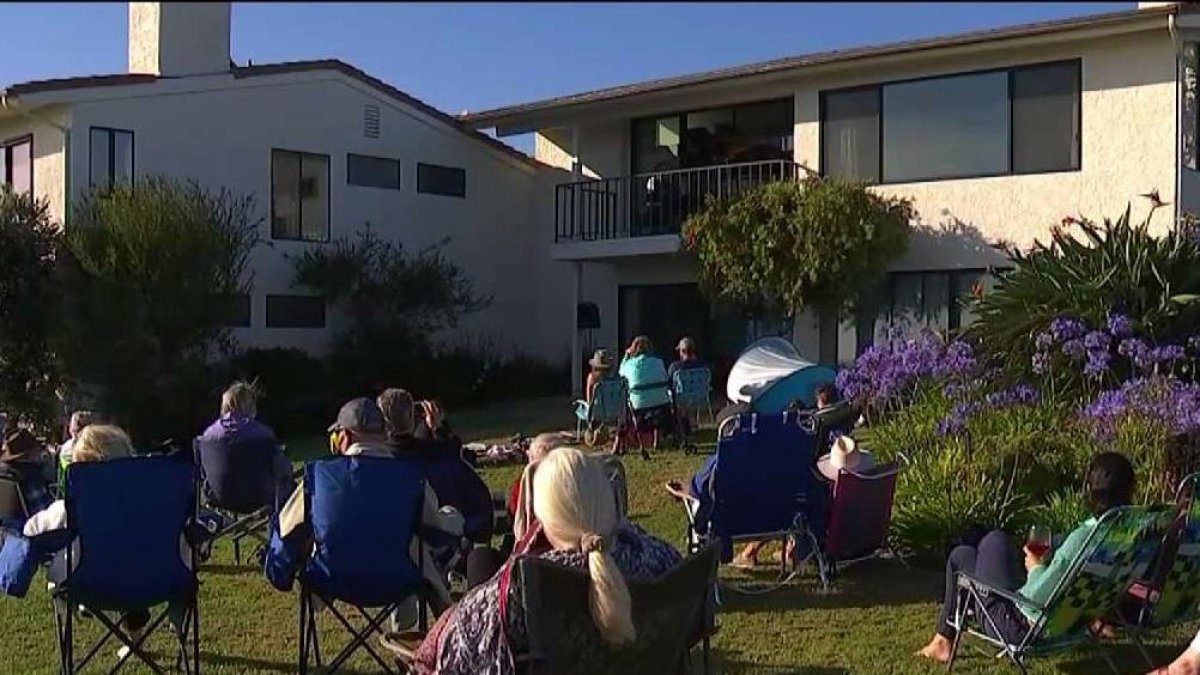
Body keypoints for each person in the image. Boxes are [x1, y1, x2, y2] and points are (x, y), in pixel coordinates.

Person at [410, 448, 681, 674]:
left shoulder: (518, 587)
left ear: (545, 520)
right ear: (608, 500)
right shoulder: (661, 561)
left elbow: (453, 659)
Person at [916, 451, 1138, 664]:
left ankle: (943, 639)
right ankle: (942, 640)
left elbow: (1035, 599)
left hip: (1022, 627)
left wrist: (1035, 567)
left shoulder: (1084, 539)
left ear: (1090, 490)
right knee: (964, 555)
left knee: (992, 540)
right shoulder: (1127, 538)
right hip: (1073, 623)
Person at [275, 397, 464, 618]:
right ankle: (410, 634)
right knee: (415, 541)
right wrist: (456, 519)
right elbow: (438, 529)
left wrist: (283, 573)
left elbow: (284, 530)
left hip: (331, 580)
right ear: (385, 434)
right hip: (398, 580)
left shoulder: (318, 477)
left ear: (344, 436)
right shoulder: (410, 477)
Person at [378, 388, 493, 545]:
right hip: (443, 543)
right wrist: (439, 430)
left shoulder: (377, 462)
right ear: (412, 417)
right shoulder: (442, 456)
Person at [198, 381, 293, 500]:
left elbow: (202, 471)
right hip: (259, 497)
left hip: (219, 497)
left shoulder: (208, 435)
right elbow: (281, 470)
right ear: (250, 406)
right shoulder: (263, 434)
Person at [617, 336, 675, 454]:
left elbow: (620, 373)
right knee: (655, 396)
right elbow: (665, 377)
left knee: (625, 405)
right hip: (662, 403)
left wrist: (626, 356)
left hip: (639, 405)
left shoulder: (629, 365)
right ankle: (656, 440)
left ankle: (619, 444)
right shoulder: (658, 362)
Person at [0, 429, 54, 525]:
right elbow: (44, 516)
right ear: (30, 452)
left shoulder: (3, 472)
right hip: (26, 533)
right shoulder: (30, 476)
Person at [578, 349, 620, 446]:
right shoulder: (617, 379)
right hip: (616, 411)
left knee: (581, 408)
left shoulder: (592, 378)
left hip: (597, 413)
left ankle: (592, 431)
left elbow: (589, 399)